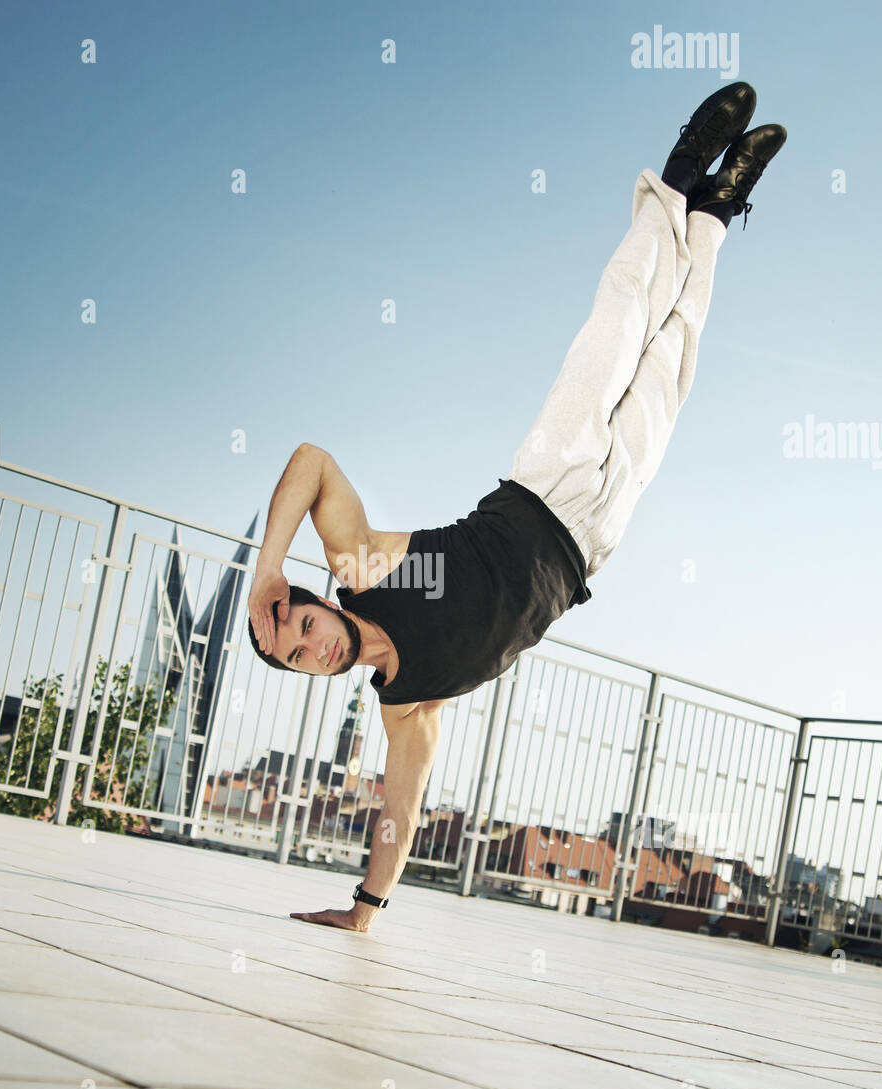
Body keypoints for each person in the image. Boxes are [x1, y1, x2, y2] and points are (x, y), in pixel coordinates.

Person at [246, 83, 786, 933]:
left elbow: (311, 462)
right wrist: (363, 909)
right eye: (300, 660)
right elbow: (401, 808)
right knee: (671, 363)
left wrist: (267, 567)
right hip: (593, 539)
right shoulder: (406, 701)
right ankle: (716, 214)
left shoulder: (363, 569)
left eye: (299, 628)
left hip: (547, 476)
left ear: (315, 605)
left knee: (622, 321)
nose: (313, 648)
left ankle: (680, 175)